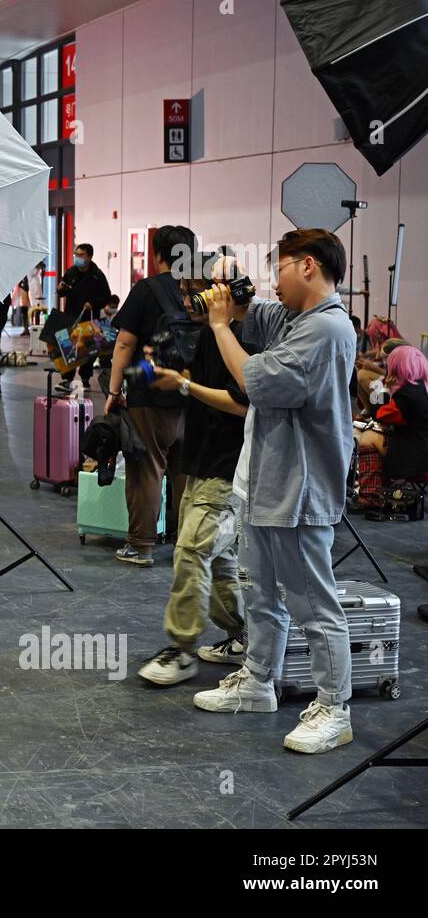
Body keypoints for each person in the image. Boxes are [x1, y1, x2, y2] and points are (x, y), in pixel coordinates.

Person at [193, 229, 358, 755]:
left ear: (307, 266)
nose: (274, 282)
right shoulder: (296, 318)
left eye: (280, 269)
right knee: (260, 595)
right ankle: (259, 682)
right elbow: (255, 313)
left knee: (312, 604)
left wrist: (221, 326)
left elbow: (253, 379)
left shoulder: (328, 329)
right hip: (266, 481)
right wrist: (229, 295)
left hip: (300, 489)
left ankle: (335, 708)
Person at [136, 255, 251, 686]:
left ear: (227, 291)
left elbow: (241, 402)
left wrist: (185, 385)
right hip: (200, 461)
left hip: (227, 466)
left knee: (190, 550)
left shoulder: (246, 336)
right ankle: (242, 635)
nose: (189, 297)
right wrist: (172, 374)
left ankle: (182, 650)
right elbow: (203, 383)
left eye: (197, 289)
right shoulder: (209, 334)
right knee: (217, 556)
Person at [105, 224, 195, 567]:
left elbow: (125, 343)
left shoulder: (146, 290)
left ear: (158, 255)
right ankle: (187, 547)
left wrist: (115, 390)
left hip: (151, 395)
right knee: (186, 473)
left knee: (148, 470)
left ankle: (140, 546)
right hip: (195, 394)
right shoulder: (203, 290)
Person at [351, 345, 428, 511]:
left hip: (416, 456)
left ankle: (369, 496)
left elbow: (378, 414)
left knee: (368, 438)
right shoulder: (421, 387)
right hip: (421, 446)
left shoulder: (407, 396)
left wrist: (383, 387)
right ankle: (380, 487)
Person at [55, 243, 112, 394]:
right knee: (69, 347)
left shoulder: (97, 276)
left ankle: (85, 379)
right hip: (71, 316)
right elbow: (62, 290)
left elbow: (106, 296)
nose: (77, 258)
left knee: (88, 348)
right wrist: (60, 290)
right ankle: (67, 378)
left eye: (80, 255)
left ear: (89, 256)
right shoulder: (71, 272)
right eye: (76, 255)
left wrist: (92, 304)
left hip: (89, 318)